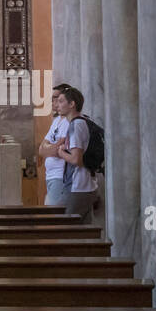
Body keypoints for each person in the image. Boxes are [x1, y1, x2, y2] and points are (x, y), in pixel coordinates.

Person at [54, 84, 99, 221]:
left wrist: (61, 152)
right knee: (82, 231)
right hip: (83, 186)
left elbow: (76, 160)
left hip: (78, 186)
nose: (57, 105)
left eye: (61, 101)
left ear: (72, 104)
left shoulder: (76, 125)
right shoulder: (80, 122)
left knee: (66, 229)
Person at [37, 90, 71, 207]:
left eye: (55, 98)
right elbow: (41, 149)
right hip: (50, 175)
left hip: (60, 174)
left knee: (55, 215)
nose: (52, 102)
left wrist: (50, 148)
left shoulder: (68, 121)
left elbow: (58, 149)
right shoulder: (56, 121)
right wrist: (50, 148)